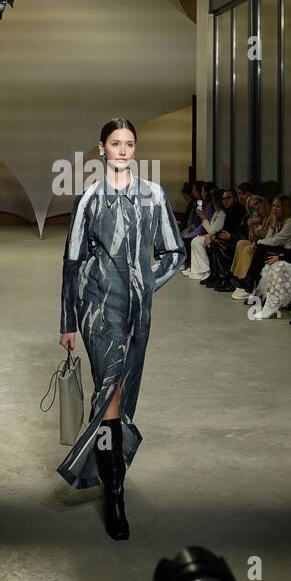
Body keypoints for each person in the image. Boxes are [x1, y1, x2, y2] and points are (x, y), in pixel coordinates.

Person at [56, 118, 185, 540]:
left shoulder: (154, 195)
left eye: (130, 143)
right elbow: (72, 262)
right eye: (116, 143)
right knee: (109, 396)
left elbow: (173, 252)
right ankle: (115, 495)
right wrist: (68, 320)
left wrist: (148, 283)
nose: (124, 150)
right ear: (101, 149)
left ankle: (108, 475)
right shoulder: (89, 199)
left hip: (137, 314)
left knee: (123, 399)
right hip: (98, 310)